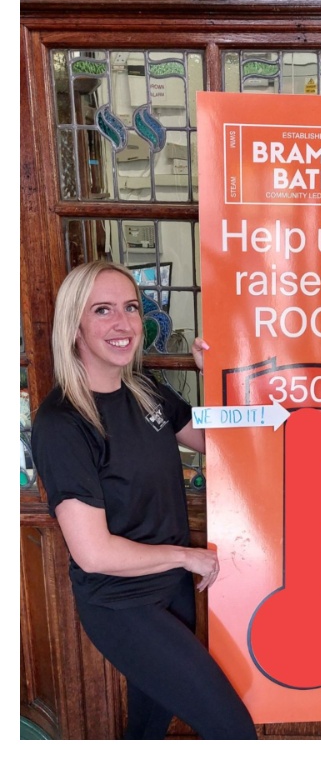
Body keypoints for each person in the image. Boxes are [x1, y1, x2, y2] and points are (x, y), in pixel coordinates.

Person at [30, 261, 256, 739]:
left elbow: (215, 442)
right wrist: (186, 555)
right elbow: (93, 553)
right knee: (233, 730)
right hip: (123, 605)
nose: (123, 323)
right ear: (75, 326)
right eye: (103, 310)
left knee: (147, 729)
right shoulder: (63, 423)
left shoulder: (144, 389)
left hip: (172, 590)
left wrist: (218, 377)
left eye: (131, 307)